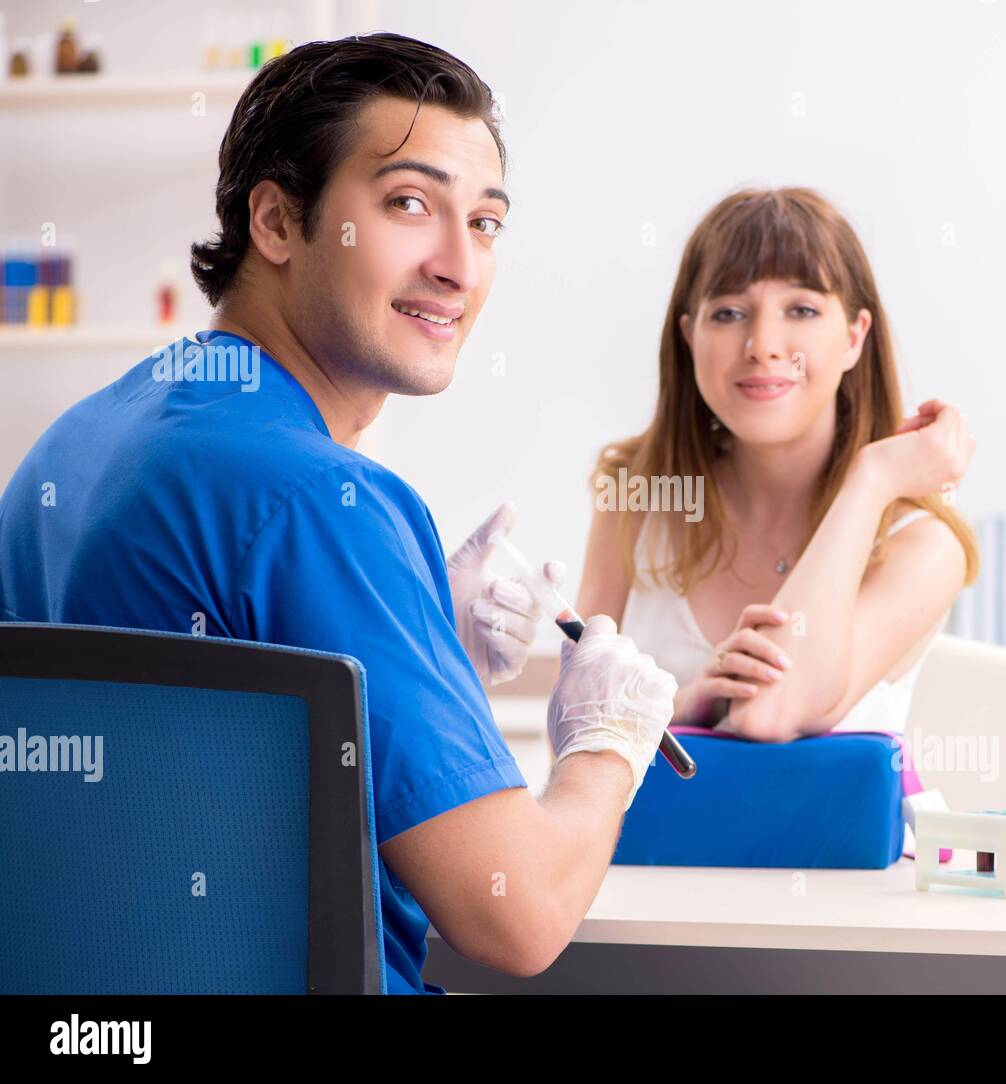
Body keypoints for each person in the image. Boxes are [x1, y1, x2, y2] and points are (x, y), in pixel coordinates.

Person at [0, 33, 677, 995]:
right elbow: (517, 913)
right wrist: (608, 742)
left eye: (484, 223)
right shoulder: (318, 500)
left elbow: (188, 786)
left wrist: (410, 641)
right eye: (409, 204)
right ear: (276, 221)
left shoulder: (73, 445)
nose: (459, 267)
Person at [576, 188, 980, 742]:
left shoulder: (923, 544)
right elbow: (571, 739)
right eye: (730, 313)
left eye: (803, 310)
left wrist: (871, 481)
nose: (764, 345)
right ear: (691, 336)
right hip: (644, 833)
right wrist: (688, 702)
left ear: (854, 338)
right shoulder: (637, 498)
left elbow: (770, 713)